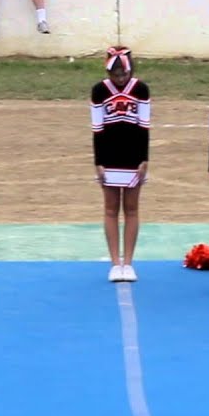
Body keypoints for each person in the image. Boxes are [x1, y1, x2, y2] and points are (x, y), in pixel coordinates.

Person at [91, 46, 151, 283]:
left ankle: (129, 262)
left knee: (132, 209)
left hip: (133, 158)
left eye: (123, 74)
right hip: (109, 157)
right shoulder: (99, 91)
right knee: (110, 209)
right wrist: (99, 163)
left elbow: (144, 127)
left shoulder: (141, 89)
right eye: (115, 74)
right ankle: (115, 262)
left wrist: (144, 159)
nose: (119, 79)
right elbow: (97, 129)